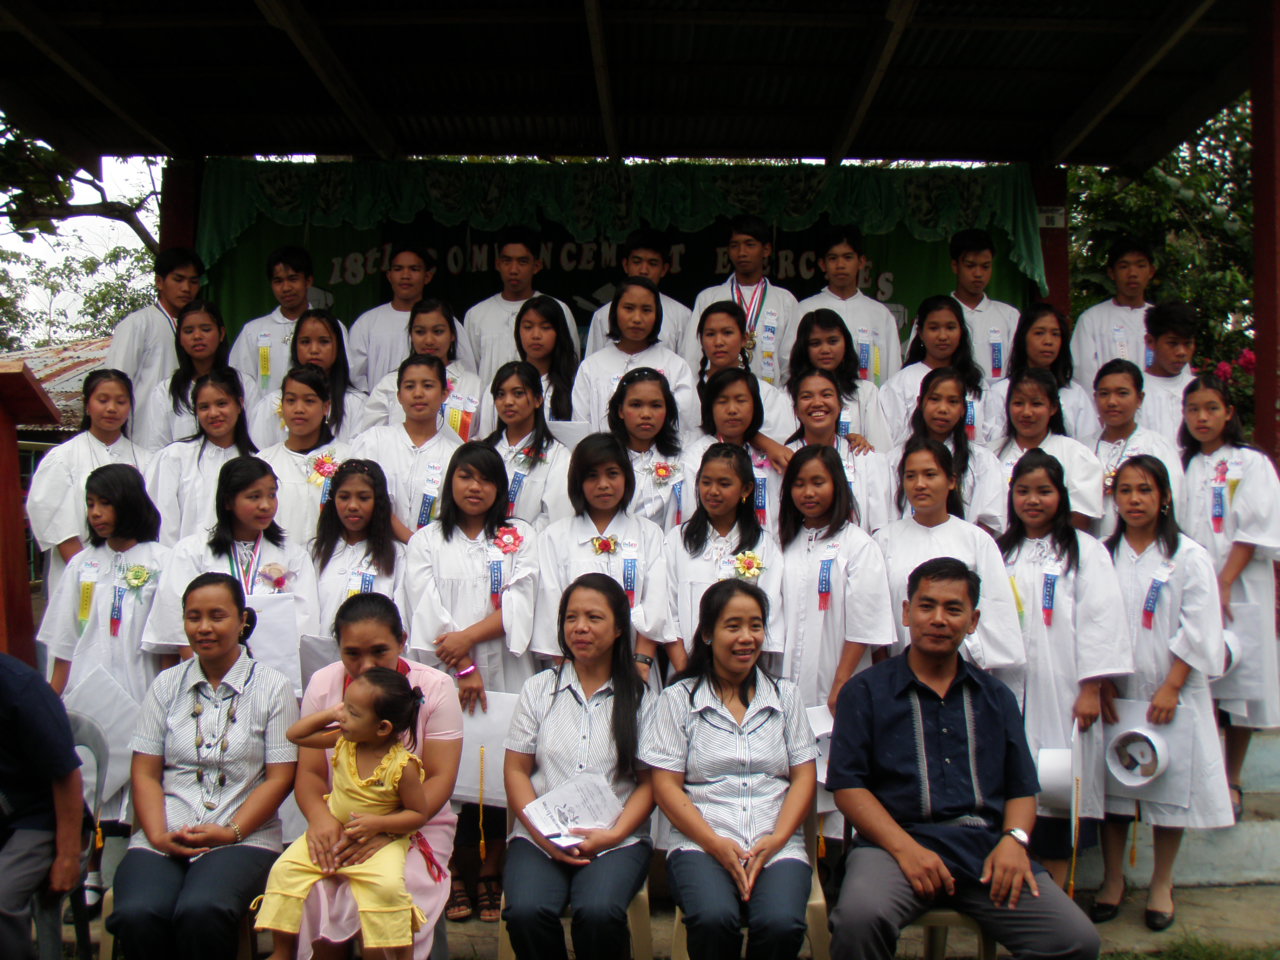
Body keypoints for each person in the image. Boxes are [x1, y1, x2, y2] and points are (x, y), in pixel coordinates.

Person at [825, 557, 1101, 960]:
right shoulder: (865, 692)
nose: (939, 619)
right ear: (906, 613)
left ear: (973, 621)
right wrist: (906, 850)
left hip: (984, 849)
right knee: (859, 919)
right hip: (892, 847)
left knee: (1074, 940)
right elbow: (848, 788)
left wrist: (1015, 840)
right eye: (927, 606)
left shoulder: (995, 697)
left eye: (953, 609)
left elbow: (1022, 788)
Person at [107, 573, 299, 960]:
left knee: (202, 910)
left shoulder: (273, 687)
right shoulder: (166, 685)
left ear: (242, 620)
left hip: (242, 838)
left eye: (217, 616)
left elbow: (280, 778)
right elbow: (144, 773)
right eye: (193, 617)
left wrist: (230, 832)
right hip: (165, 833)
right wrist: (158, 835)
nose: (204, 627)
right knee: (138, 913)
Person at [641, 579, 818, 960]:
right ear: (707, 633)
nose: (746, 638)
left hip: (776, 845)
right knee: (713, 918)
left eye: (756, 626)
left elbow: (804, 776)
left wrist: (777, 838)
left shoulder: (786, 697)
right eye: (732, 626)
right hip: (700, 845)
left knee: (781, 924)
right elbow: (666, 786)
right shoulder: (678, 699)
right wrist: (714, 843)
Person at [1093, 456, 1234, 929]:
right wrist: (1101, 679)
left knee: (1170, 786)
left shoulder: (1188, 556)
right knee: (1114, 787)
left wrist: (1173, 685)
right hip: (1117, 690)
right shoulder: (1103, 554)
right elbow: (1093, 620)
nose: (1134, 500)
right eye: (1126, 491)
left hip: (1172, 690)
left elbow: (1200, 624)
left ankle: (1161, 883)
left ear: (1165, 497)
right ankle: (1113, 879)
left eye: (1145, 490)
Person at [406, 443, 538, 922]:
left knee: (503, 765)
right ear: (451, 483)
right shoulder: (426, 541)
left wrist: (467, 640)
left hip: (507, 668)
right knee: (445, 768)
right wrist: (463, 665)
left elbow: (522, 601)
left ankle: (491, 870)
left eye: (485, 479)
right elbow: (423, 607)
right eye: (465, 477)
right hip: (444, 673)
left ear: (500, 487)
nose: (475, 487)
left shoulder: (518, 536)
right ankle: (451, 870)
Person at [294, 593, 462, 959]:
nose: (366, 665)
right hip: (341, 821)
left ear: (402, 641)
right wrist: (322, 820)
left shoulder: (434, 687)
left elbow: (440, 778)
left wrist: (388, 828)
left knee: (392, 886)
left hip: (417, 822)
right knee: (312, 883)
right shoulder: (323, 685)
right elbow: (309, 773)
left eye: (379, 651)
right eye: (352, 653)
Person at [502, 574, 655, 960]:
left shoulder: (641, 698)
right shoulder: (539, 689)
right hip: (539, 837)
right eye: (571, 618)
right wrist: (543, 835)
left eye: (594, 617)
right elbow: (516, 770)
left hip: (615, 840)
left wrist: (613, 834)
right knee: (525, 913)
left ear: (619, 628)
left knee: (599, 913)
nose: (580, 627)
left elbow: (650, 783)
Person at [995, 450, 1129, 886]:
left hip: (1064, 688)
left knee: (1057, 784)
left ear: (1062, 495)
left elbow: (1102, 619)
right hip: (1010, 686)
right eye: (1023, 491)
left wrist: (1092, 687)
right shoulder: (1001, 552)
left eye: (1044, 491)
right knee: (1011, 778)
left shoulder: (1085, 551)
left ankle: (1055, 891)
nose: (1033, 501)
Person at [256, 667, 430, 960]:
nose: (343, 717)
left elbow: (417, 814)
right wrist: (330, 714)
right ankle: (282, 951)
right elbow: (296, 735)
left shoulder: (402, 766)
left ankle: (397, 954)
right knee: (284, 870)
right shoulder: (345, 740)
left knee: (388, 889)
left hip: (378, 843)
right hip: (335, 831)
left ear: (383, 728)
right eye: (343, 707)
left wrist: (379, 824)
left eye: (352, 712)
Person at [1176, 373, 1280, 819]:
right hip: (1193, 586)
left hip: (1240, 586)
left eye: (1211, 408)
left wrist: (1224, 582)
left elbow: (1255, 527)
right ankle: (1201, 779)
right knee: (1198, 679)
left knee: (1242, 687)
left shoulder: (1250, 463)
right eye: (1193, 409)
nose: (1202, 418)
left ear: (1229, 413)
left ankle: (1232, 778)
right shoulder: (1182, 464)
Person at [39, 465, 168, 817]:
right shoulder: (82, 565)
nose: (95, 513)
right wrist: (52, 700)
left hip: (141, 684)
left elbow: (168, 642)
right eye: (91, 503)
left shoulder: (162, 561)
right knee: (91, 783)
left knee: (141, 783)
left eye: (105, 503)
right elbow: (64, 640)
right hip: (88, 688)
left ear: (129, 502)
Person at [141, 456, 321, 696]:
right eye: (254, 497)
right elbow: (177, 626)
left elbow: (304, 624)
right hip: (208, 681)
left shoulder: (293, 555)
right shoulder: (191, 551)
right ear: (228, 501)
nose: (266, 505)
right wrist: (206, 682)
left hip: (274, 682)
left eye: (271, 495)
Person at [874, 439, 1023, 683]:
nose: (920, 484)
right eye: (911, 476)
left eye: (930, 474)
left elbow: (996, 611)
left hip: (962, 673)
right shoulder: (883, 540)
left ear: (952, 481)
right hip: (899, 674)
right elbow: (876, 613)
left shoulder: (976, 540)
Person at [533, 434, 670, 683]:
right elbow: (550, 609)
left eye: (612, 474)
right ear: (578, 482)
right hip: (575, 670)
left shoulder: (649, 534)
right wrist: (573, 675)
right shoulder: (554, 537)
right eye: (592, 476)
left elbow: (656, 603)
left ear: (626, 477)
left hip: (635, 668)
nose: (603, 484)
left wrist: (641, 664)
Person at [778, 444, 893, 716]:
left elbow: (866, 622)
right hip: (783, 678)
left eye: (818, 483)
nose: (808, 492)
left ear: (837, 485)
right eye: (799, 484)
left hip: (838, 681)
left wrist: (842, 683)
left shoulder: (858, 545)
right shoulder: (782, 543)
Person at [26, 369, 150, 601]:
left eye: (120, 402)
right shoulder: (63, 457)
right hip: (80, 572)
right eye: (102, 400)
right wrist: (88, 573)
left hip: (136, 574)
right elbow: (55, 523)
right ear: (87, 405)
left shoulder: (147, 460)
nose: (111, 408)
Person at [664, 443, 784, 677]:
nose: (713, 491)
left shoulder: (764, 546)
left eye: (724, 484)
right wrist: (687, 673)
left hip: (743, 673)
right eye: (706, 482)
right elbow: (668, 612)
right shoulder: (677, 540)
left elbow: (768, 616)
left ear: (746, 489)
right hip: (687, 673)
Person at [0, 654, 86, 960]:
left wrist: (68, 856)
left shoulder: (21, 687)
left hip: (39, 816)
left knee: (1, 900)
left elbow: (67, 775)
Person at [352, 354, 463, 543]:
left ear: (444, 394)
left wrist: (422, 549)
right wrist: (411, 540)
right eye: (409, 386)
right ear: (399, 396)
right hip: (376, 551)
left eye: (427, 386)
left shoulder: (456, 455)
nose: (418, 393)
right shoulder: (372, 442)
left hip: (433, 554)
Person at [147, 369, 259, 546]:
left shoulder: (257, 462)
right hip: (185, 560)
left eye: (221, 403)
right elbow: (163, 524)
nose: (213, 413)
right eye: (204, 407)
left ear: (239, 404)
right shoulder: (175, 457)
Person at [683, 215, 799, 387]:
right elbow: (692, 355)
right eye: (734, 246)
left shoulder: (785, 300)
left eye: (750, 245)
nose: (742, 252)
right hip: (718, 394)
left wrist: (782, 398)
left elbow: (790, 361)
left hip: (771, 395)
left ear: (766, 250)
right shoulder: (709, 297)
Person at [888, 367, 1006, 535]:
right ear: (920, 402)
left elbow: (989, 521)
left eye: (952, 401)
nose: (943, 409)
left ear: (963, 408)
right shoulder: (894, 459)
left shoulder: (982, 460)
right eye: (935, 399)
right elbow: (886, 518)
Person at [572, 277, 698, 432]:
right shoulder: (591, 367)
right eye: (629, 308)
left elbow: (688, 427)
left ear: (657, 315)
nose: (637, 318)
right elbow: (580, 427)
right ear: (615, 311)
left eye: (646, 310)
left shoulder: (675, 366)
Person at [461, 228, 579, 394]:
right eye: (507, 261)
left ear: (536, 266)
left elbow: (570, 366)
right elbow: (469, 375)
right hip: (489, 406)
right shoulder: (476, 315)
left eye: (522, 262)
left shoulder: (558, 309)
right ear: (498, 264)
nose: (514, 269)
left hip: (547, 404)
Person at [134, 299, 260, 449]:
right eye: (189, 331)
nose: (197, 336)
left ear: (221, 333)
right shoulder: (166, 391)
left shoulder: (244, 384)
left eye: (206, 329)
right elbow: (156, 447)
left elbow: (256, 438)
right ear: (179, 338)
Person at [786, 368, 895, 535]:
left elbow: (881, 529)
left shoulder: (865, 459)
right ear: (795, 409)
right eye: (807, 396)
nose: (817, 402)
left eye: (826, 395)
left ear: (840, 405)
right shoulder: (784, 459)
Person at [359, 298, 485, 441]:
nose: (429, 340)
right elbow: (370, 438)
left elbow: (484, 438)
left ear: (452, 335)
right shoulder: (390, 383)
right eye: (420, 332)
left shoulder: (473, 384)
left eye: (438, 331)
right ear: (411, 335)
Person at [993, 368, 1105, 529]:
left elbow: (1079, 521)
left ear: (1053, 407)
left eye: (1036, 404)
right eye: (1018, 403)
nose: (1026, 412)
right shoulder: (991, 454)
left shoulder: (1076, 455)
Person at [680, 368, 787, 534]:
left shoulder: (768, 456)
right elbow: (690, 519)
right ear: (710, 408)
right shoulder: (695, 458)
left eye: (741, 400)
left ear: (755, 406)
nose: (732, 409)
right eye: (722, 401)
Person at [1087, 359, 1184, 539]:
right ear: (1095, 398)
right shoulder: (1082, 448)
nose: (1112, 402)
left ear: (1140, 399)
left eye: (1122, 393)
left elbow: (1174, 501)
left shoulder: (1157, 447)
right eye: (1104, 394)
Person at [312, 459, 408, 639]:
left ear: (378, 501)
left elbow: (403, 615)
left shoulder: (398, 555)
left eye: (363, 498)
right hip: (321, 652)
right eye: (344, 497)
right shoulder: (315, 552)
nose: (353, 506)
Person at [258, 364, 353, 545]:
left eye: (309, 401)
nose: (298, 409)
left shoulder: (347, 459)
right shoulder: (264, 462)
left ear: (325, 407)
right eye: (291, 400)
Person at [797, 225, 901, 386]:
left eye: (848, 257)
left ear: (861, 261)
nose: (840, 265)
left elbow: (893, 370)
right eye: (833, 258)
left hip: (867, 399)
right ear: (822, 264)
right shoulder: (804, 309)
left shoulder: (880, 314)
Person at [878, 295, 987, 446]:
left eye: (950, 327)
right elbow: (890, 441)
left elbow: (989, 437)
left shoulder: (975, 381)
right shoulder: (900, 384)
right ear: (920, 332)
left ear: (961, 331)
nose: (943, 336)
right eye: (934, 328)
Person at [105, 247, 203, 412]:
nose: (186, 288)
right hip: (143, 424)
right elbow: (114, 383)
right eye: (178, 279)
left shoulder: (201, 331)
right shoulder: (137, 324)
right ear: (159, 282)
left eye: (193, 282)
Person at [250, 309, 366, 446]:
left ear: (338, 347)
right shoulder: (272, 404)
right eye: (305, 342)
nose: (314, 350)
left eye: (324, 342)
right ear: (295, 347)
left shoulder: (357, 404)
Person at [983, 303, 1096, 442]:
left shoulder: (1075, 393)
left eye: (1055, 334)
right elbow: (994, 443)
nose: (1048, 341)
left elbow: (1088, 443)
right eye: (1039, 333)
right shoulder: (1000, 392)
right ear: (1023, 337)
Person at [483, 361, 573, 531]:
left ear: (538, 399)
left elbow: (556, 516)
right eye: (500, 394)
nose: (508, 402)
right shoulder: (485, 450)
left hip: (533, 545)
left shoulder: (557, 455)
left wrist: (519, 540)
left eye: (518, 393)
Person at [786, 307, 891, 449]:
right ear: (804, 348)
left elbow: (881, 449)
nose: (825, 350)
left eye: (833, 341)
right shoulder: (786, 395)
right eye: (815, 343)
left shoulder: (866, 392)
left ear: (846, 344)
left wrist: (857, 445)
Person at [695, 300, 797, 443]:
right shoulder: (690, 389)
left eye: (727, 333)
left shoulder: (766, 394)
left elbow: (781, 444)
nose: (718, 342)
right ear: (701, 340)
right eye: (710, 334)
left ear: (744, 339)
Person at [230, 247, 322, 396]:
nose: (286, 288)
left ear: (308, 281)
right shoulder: (253, 331)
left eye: (293, 279)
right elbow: (239, 383)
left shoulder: (330, 328)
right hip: (266, 410)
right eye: (278, 281)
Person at [585, 228, 692, 357]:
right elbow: (593, 364)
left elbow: (689, 364)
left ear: (664, 269)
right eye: (637, 262)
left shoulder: (682, 315)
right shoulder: (602, 315)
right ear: (625, 265)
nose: (643, 270)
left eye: (652, 263)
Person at [1069, 238, 1156, 390]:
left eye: (1140, 266)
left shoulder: (1161, 319)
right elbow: (1082, 373)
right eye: (1124, 266)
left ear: (1151, 271)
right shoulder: (1092, 319)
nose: (1132, 273)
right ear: (1111, 273)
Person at [348, 244, 436, 392]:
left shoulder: (442, 322)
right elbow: (355, 378)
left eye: (414, 269)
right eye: (398, 269)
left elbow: (460, 372)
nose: (405, 275)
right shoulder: (367, 323)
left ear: (427, 276)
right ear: (389, 275)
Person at [607, 368, 686, 530]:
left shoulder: (682, 458)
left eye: (656, 405)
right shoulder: (604, 458)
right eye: (636, 405)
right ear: (621, 410)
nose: (646, 414)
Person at [948, 229, 1019, 383]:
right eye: (970, 266)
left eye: (985, 266)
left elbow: (1020, 367)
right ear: (955, 266)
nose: (978, 274)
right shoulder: (936, 315)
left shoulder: (1009, 316)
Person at [1137, 301, 1199, 439]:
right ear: (1150, 342)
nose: (1181, 352)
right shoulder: (1135, 390)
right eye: (1172, 343)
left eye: (1187, 343)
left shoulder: (1200, 390)